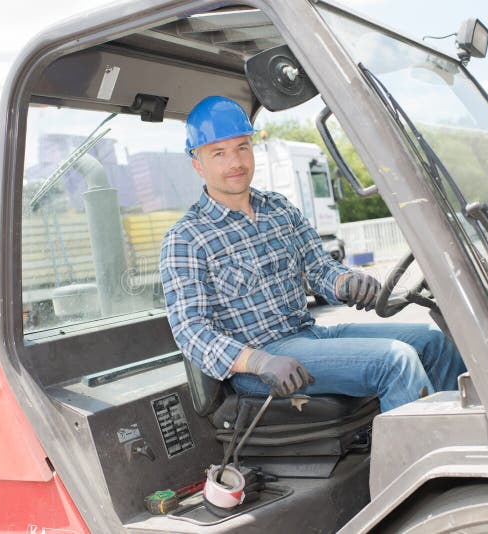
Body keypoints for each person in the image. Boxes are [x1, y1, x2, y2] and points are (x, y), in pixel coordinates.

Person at [160, 96, 465, 412]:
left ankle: (469, 434)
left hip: (312, 335)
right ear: (198, 164)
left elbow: (318, 268)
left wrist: (346, 282)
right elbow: (191, 330)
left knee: (434, 342)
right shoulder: (186, 238)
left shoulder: (279, 208)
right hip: (262, 363)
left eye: (241, 147)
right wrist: (259, 361)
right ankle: (425, 442)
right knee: (395, 360)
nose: (235, 162)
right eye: (219, 153)